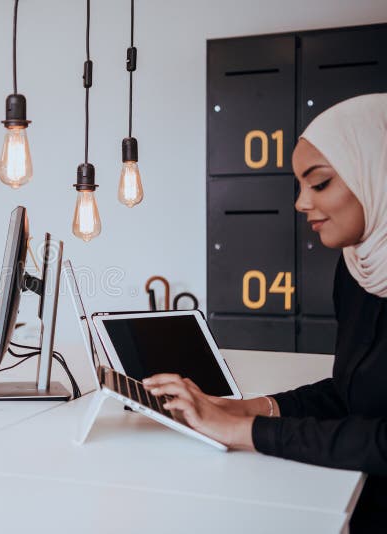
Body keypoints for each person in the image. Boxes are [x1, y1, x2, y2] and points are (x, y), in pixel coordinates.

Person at [142, 93, 387, 531]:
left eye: (320, 182)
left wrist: (244, 434)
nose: (301, 203)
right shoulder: (357, 272)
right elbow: (352, 395)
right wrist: (243, 409)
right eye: (299, 185)